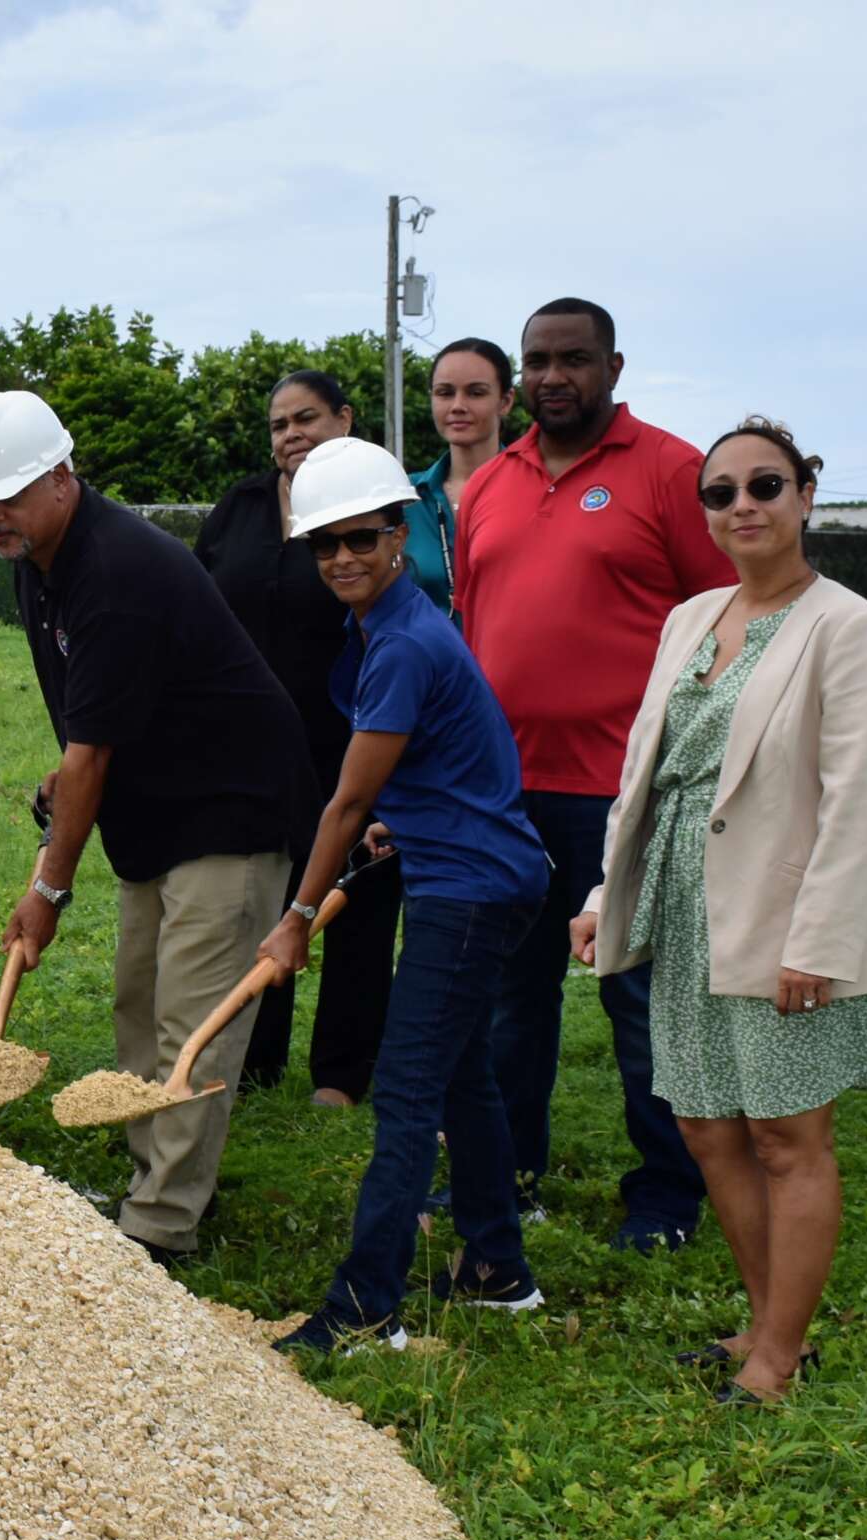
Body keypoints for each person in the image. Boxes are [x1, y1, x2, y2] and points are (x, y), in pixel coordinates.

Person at [574, 418, 867, 1403]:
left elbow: (858, 800)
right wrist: (610, 893)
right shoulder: (690, 617)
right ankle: (766, 1323)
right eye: (721, 492)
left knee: (786, 1137)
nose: (743, 505)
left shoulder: (846, 626)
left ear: (805, 495)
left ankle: (779, 1356)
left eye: (765, 485)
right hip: (683, 907)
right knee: (706, 1128)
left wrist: (818, 940)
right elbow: (647, 775)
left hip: (780, 915)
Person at [0, 392, 309, 1266]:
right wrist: (72, 771)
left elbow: (93, 755)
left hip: (229, 804)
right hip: (155, 805)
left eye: (8, 496)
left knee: (194, 1018)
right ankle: (154, 1175)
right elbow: (90, 723)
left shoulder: (113, 571)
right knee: (138, 1004)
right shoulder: (40, 559)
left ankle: (162, 1226)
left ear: (61, 476)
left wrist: (48, 890)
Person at [252, 441, 552, 1355]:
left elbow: (345, 803)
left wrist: (296, 919)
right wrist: (408, 817)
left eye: (362, 538)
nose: (342, 557)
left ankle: (364, 1307)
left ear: (399, 535)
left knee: (408, 1089)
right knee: (461, 1077)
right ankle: (497, 1268)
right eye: (324, 544)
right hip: (473, 867)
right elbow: (433, 761)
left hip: (472, 889)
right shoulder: (391, 623)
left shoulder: (404, 643)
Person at [453, 298, 738, 1249]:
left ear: (614, 367)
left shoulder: (671, 470)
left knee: (642, 1001)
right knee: (511, 997)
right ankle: (510, 1177)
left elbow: (726, 625)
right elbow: (472, 631)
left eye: (573, 359)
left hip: (631, 792)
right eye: (537, 360)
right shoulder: (491, 483)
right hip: (507, 792)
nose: (552, 377)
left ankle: (666, 1198)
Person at [195, 370, 401, 1108]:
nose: (291, 435)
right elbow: (199, 603)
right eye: (279, 424)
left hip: (353, 737)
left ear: (345, 418)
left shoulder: (369, 509)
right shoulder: (242, 506)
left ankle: (342, 1074)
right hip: (252, 751)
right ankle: (256, 1059)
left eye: (306, 418)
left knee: (357, 903)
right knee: (261, 899)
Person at [401, 338, 516, 614]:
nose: (458, 405)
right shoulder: (404, 496)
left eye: (476, 393)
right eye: (445, 393)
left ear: (505, 401)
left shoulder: (537, 490)